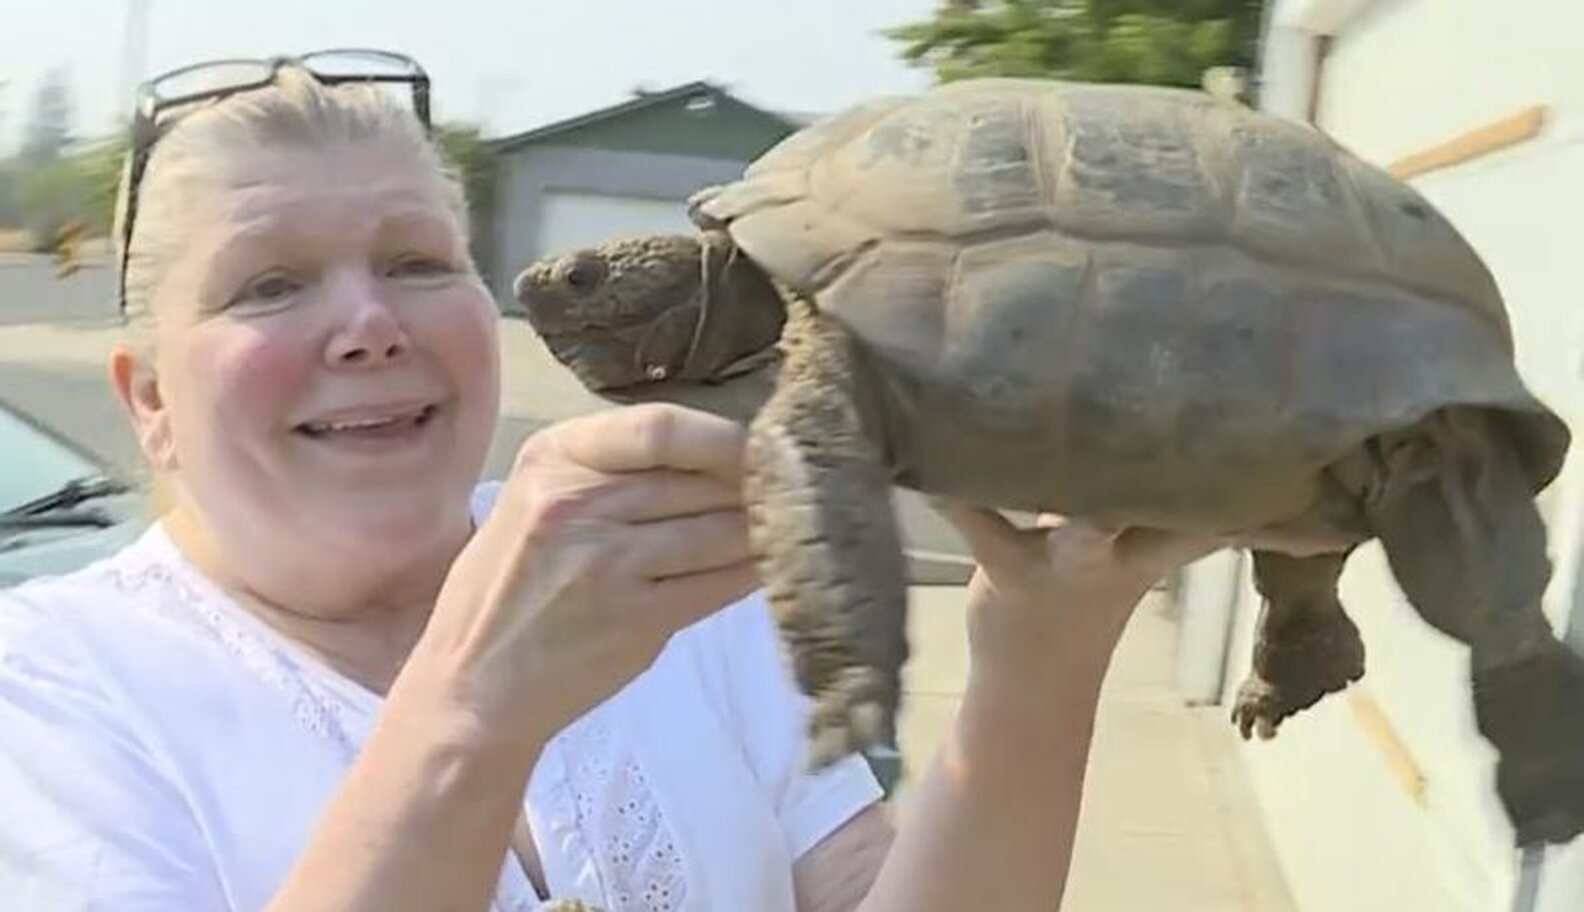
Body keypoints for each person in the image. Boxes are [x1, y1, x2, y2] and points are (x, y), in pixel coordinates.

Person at [0, 51, 1222, 912]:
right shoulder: (45, 694)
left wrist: (1039, 652)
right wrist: (474, 708)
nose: (369, 323)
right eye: (269, 284)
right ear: (149, 399)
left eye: (420, 261)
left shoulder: (663, 570)